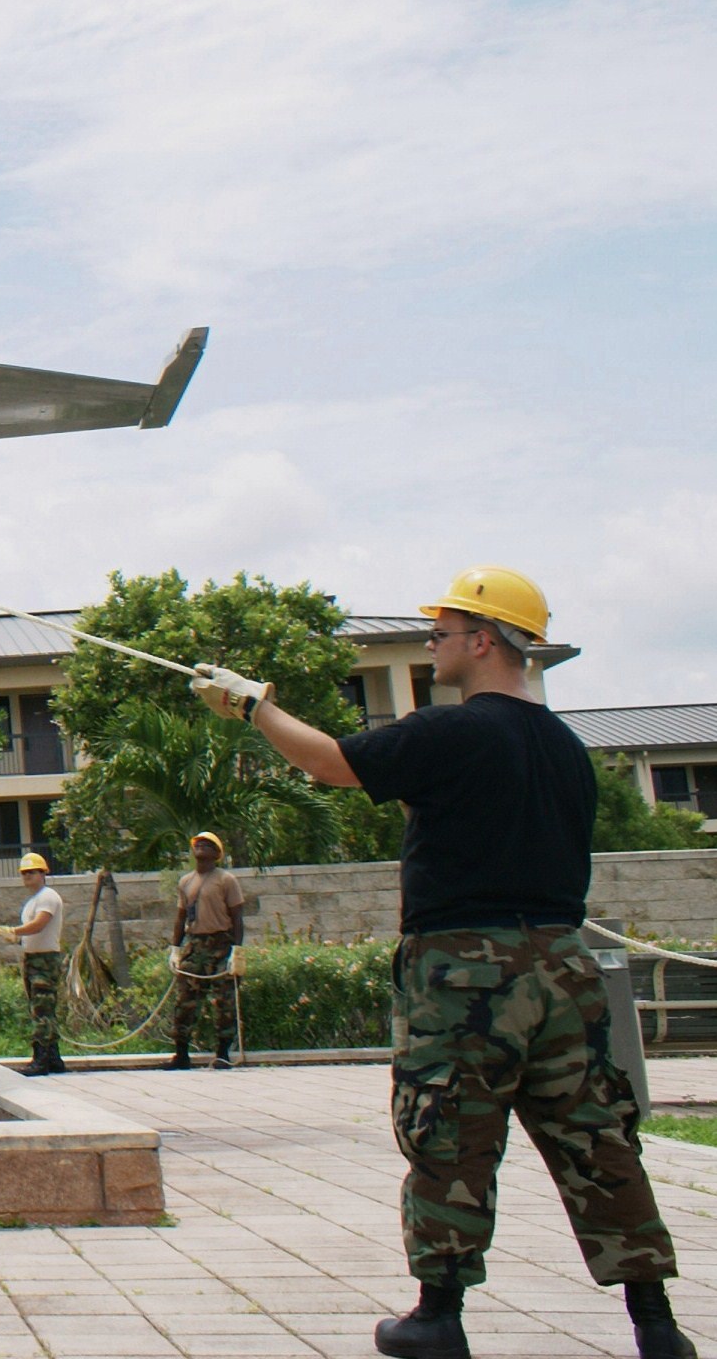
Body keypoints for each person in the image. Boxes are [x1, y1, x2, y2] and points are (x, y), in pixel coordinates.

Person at [195, 565, 693, 1359]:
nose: (432, 644)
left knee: (449, 1134)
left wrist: (254, 707)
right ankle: (657, 1324)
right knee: (598, 1140)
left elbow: (333, 762)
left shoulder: (453, 729)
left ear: (484, 640)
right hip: (566, 964)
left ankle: (439, 1314)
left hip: (466, 969)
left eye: (441, 633)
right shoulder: (567, 749)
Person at [167, 830, 246, 1070]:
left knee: (224, 1001)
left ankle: (222, 1053)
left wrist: (237, 951)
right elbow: (181, 917)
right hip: (195, 943)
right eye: (198, 843)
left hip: (221, 943)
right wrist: (175, 948)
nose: (200, 846)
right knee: (184, 1000)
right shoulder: (186, 881)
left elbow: (238, 917)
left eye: (207, 844)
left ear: (216, 853)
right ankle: (181, 1054)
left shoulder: (226, 880)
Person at [0, 851, 65, 1075]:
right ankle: (53, 1058)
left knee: (42, 1009)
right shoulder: (33, 900)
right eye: (24, 873)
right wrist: (6, 934)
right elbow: (29, 932)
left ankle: (41, 1061)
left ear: (43, 873)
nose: (27, 876)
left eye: (31, 872)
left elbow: (39, 924)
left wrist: (12, 930)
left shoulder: (48, 897)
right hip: (33, 959)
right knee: (40, 1009)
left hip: (45, 960)